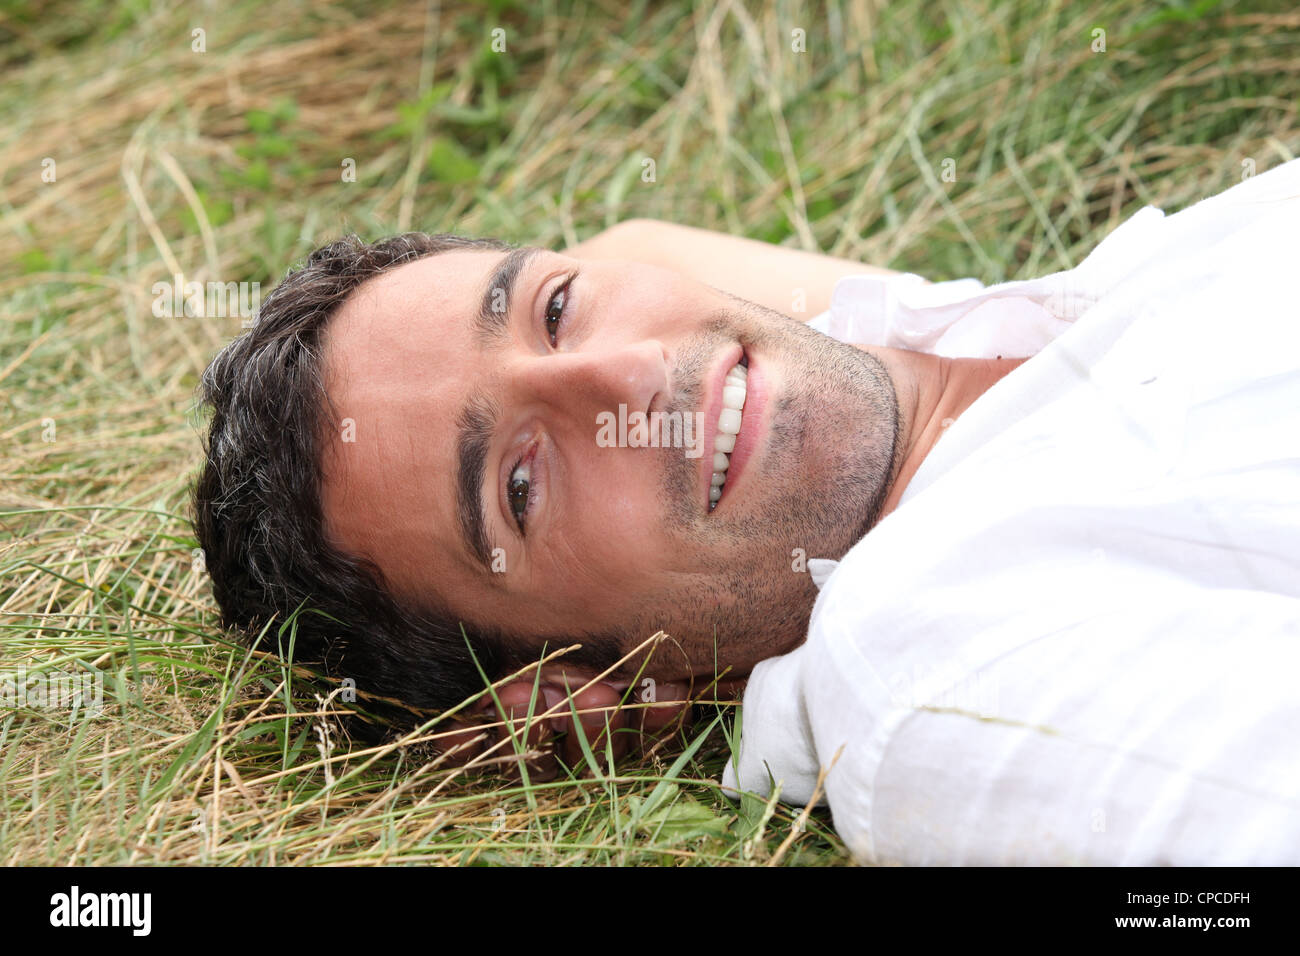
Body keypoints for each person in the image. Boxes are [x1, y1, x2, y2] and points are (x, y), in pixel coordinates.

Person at [194, 158, 1300, 864]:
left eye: (557, 307)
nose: (626, 379)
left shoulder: (965, 344)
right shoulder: (933, 668)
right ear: (560, 699)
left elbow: (643, 248)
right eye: (519, 484)